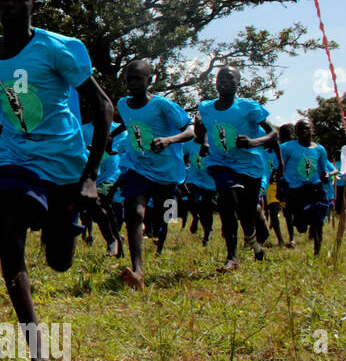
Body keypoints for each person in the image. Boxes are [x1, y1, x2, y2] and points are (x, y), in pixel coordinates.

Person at [0, 0, 112, 361]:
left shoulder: (59, 49)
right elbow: (5, 110)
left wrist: (91, 176)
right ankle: (38, 352)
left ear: (32, 4)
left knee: (59, 261)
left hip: (62, 162)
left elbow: (104, 106)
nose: (7, 6)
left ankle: (62, 225)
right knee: (7, 234)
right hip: (14, 159)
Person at [110, 60, 194, 290]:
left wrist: (169, 140)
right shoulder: (123, 104)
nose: (133, 83)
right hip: (137, 167)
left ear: (150, 80)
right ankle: (137, 269)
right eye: (129, 79)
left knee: (161, 215)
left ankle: (160, 240)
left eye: (138, 78)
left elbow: (190, 129)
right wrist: (112, 137)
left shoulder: (163, 106)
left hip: (166, 171)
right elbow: (129, 124)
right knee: (134, 212)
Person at [195, 66, 279, 272]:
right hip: (220, 163)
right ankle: (232, 257)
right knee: (227, 200)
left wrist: (253, 142)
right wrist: (204, 141)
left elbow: (273, 133)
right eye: (219, 77)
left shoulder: (248, 107)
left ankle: (256, 247)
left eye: (229, 77)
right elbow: (204, 128)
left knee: (246, 213)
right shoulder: (206, 107)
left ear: (237, 83)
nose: (222, 80)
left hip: (249, 166)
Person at [279, 118, 334, 256]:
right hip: (295, 190)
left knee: (318, 220)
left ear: (312, 130)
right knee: (301, 226)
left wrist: (327, 175)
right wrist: (280, 183)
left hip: (315, 188)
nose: (303, 131)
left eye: (306, 128)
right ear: (296, 132)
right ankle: (299, 222)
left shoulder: (320, 150)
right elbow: (280, 165)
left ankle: (317, 252)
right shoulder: (287, 147)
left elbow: (324, 168)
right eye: (300, 129)